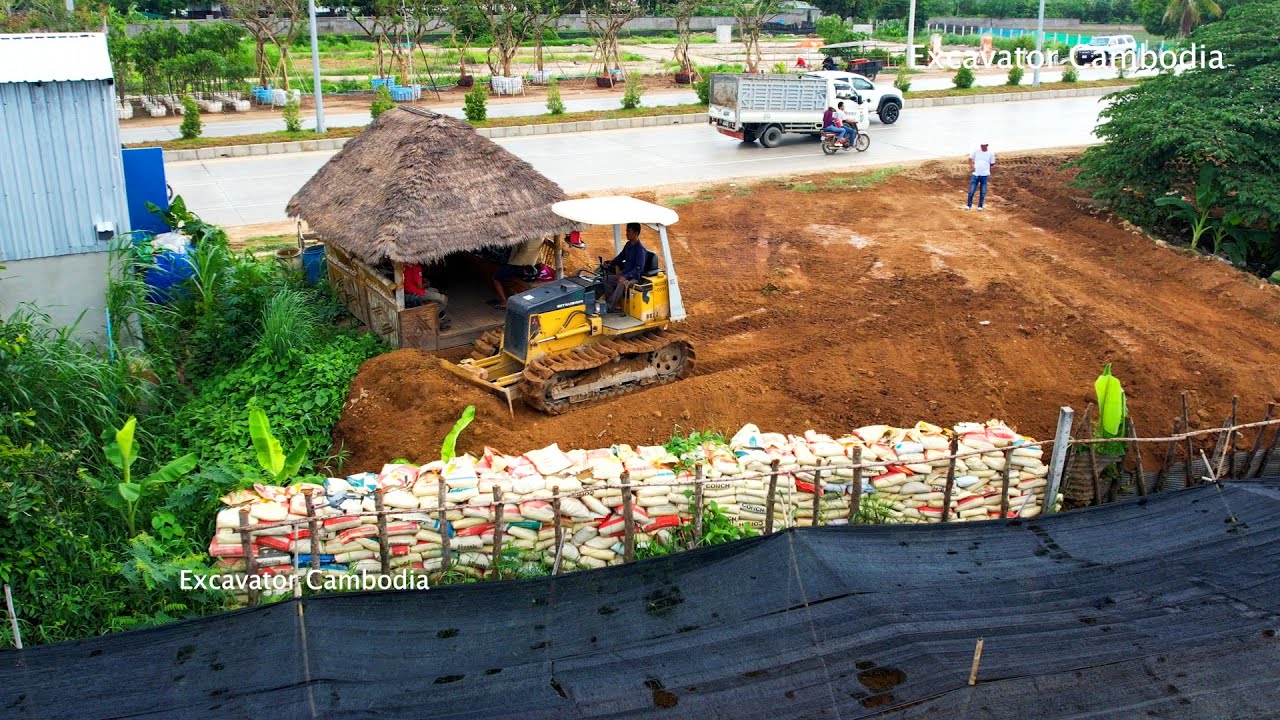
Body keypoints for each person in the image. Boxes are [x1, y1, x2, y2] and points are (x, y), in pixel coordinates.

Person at [601, 222, 648, 311]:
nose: (626, 233)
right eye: (626, 231)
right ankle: (615, 303)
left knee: (621, 283)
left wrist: (625, 276)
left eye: (629, 231)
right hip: (625, 274)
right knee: (605, 279)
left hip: (633, 277)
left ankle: (609, 306)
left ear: (636, 233)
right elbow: (621, 257)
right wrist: (611, 263)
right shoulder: (628, 245)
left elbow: (639, 268)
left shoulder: (640, 250)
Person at [491, 237, 546, 307]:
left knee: (495, 278)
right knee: (507, 272)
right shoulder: (542, 234)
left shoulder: (525, 233)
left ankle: (504, 301)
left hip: (518, 264)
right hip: (532, 264)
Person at [402, 263, 450, 328]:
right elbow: (420, 286)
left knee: (435, 290)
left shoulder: (404, 266)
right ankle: (434, 317)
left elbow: (411, 279)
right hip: (417, 293)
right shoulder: (417, 267)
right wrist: (427, 284)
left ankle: (437, 314)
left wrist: (422, 280)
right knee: (445, 299)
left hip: (408, 291)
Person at [966, 142, 996, 211]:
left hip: (985, 175)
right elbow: (970, 158)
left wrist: (986, 167)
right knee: (971, 191)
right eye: (981, 145)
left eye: (983, 146)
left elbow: (992, 163)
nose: (982, 147)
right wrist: (971, 166)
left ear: (987, 146)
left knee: (983, 192)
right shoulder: (976, 151)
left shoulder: (991, 153)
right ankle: (968, 205)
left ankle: (980, 206)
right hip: (976, 174)